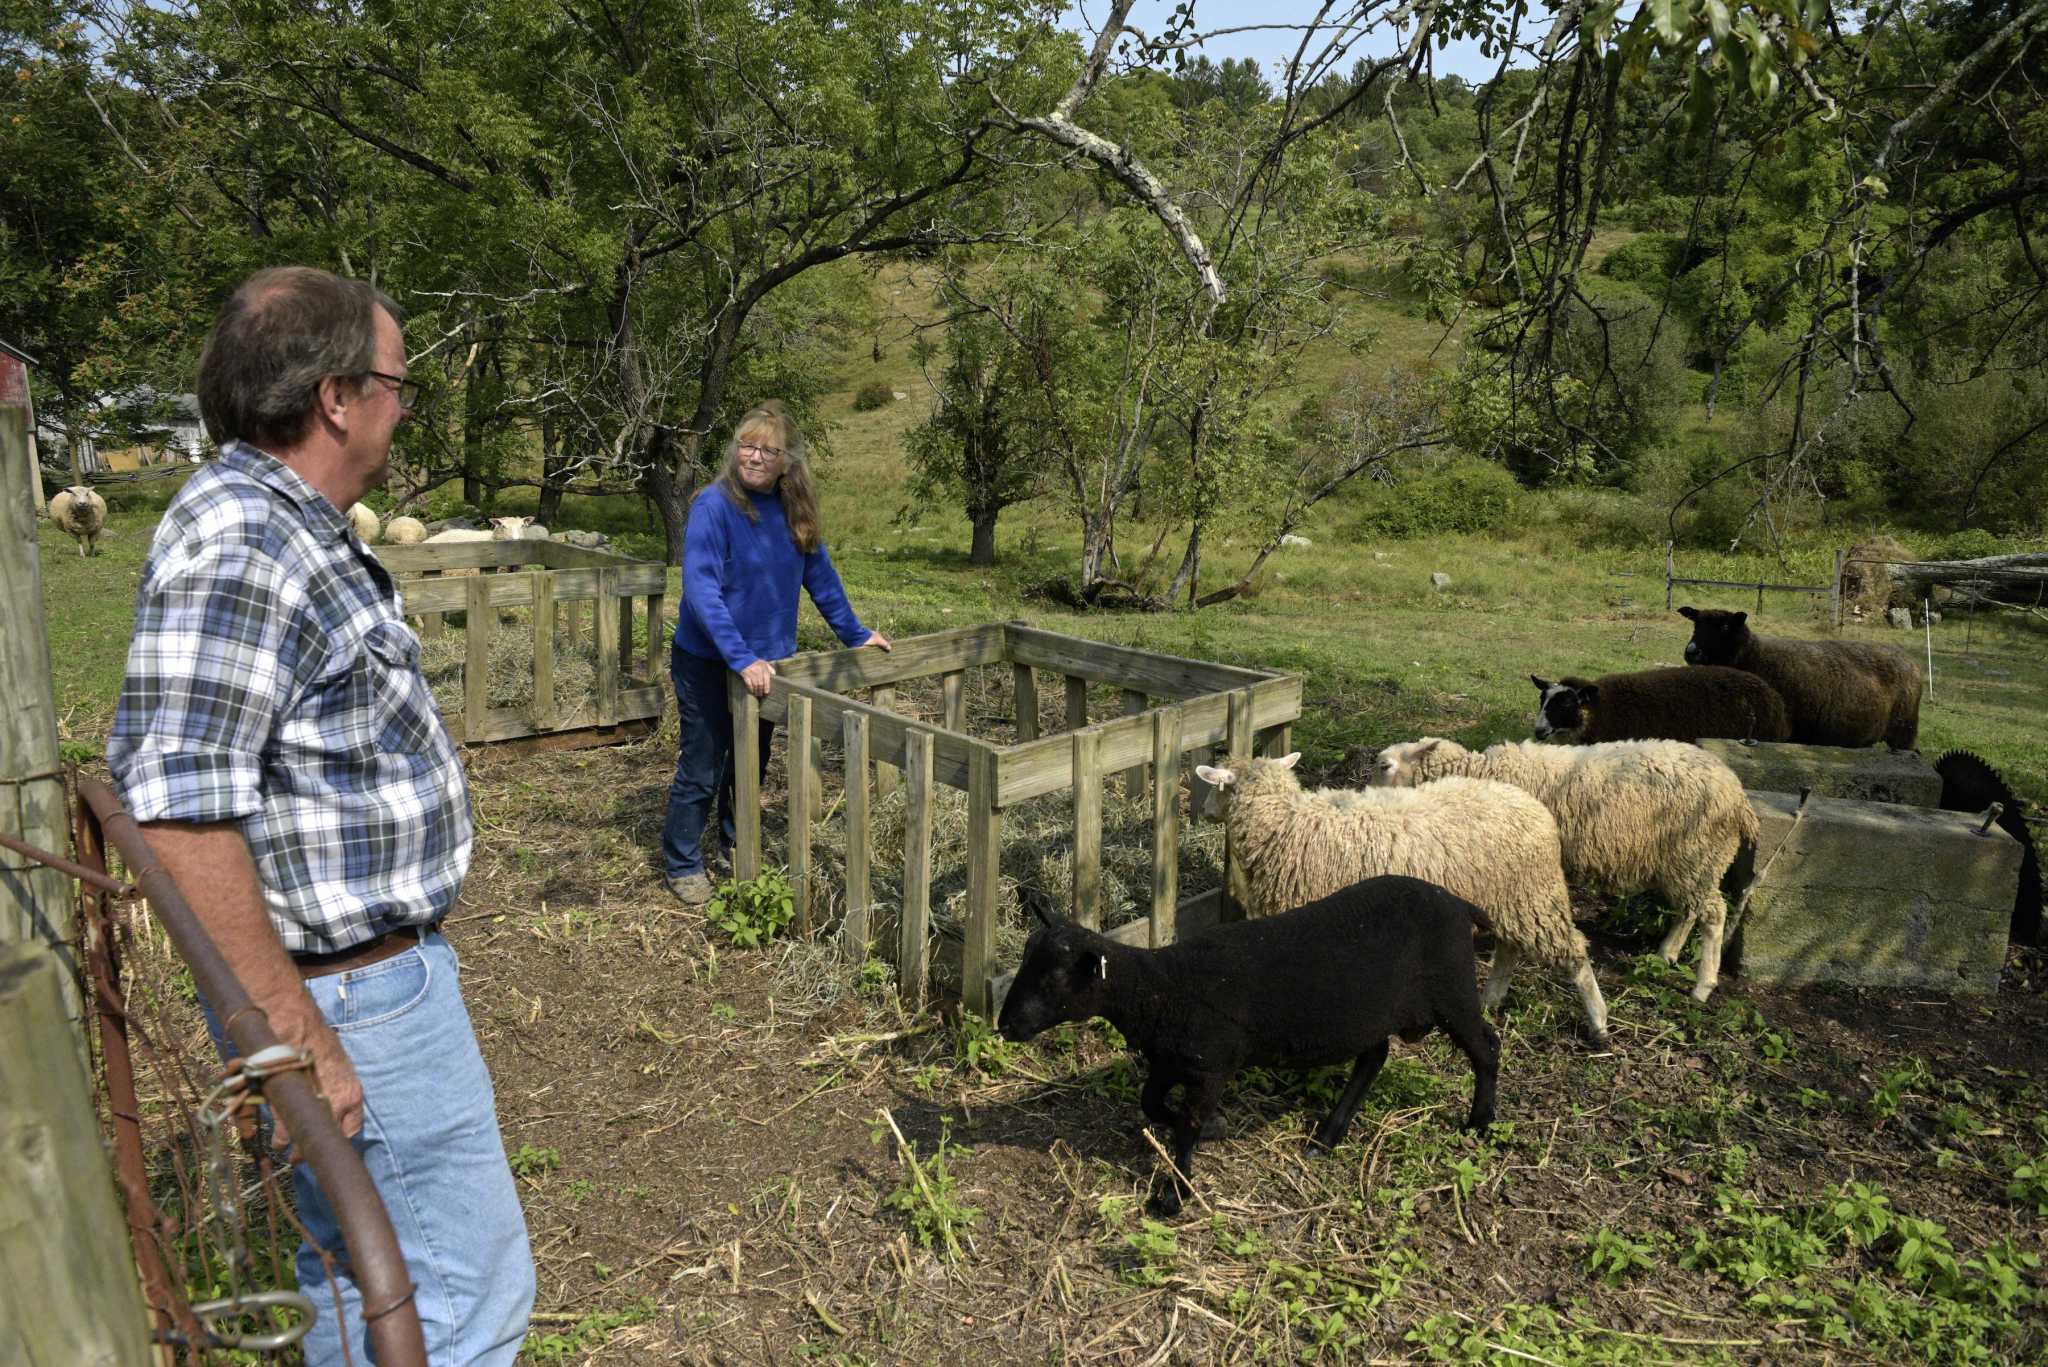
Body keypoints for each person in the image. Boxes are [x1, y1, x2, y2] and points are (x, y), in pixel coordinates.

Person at [107, 267, 535, 1365]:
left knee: (360, 1277)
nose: (403, 406)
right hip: (351, 996)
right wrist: (296, 1038)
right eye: (395, 383)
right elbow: (175, 810)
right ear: (339, 396)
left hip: (358, 985)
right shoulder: (249, 542)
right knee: (456, 1306)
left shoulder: (285, 526)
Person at [661, 402, 890, 904]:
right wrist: (741, 657)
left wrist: (855, 633)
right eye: (748, 444)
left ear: (787, 460)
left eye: (769, 449)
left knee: (752, 760)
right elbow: (701, 592)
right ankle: (681, 862)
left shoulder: (793, 509)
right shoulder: (712, 507)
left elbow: (821, 579)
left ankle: (734, 843)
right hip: (708, 659)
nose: (755, 456)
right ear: (734, 449)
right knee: (703, 761)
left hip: (770, 663)